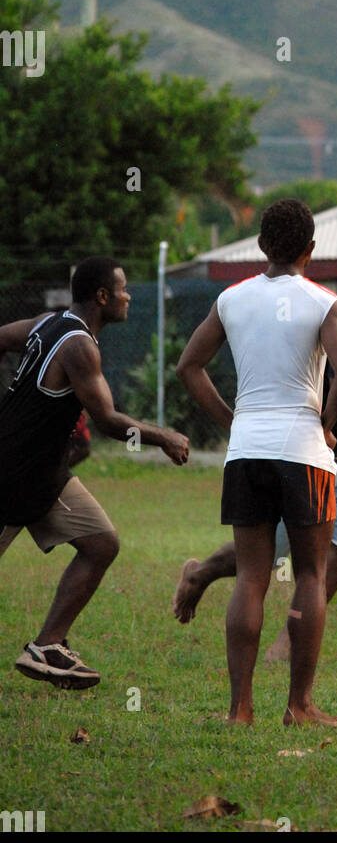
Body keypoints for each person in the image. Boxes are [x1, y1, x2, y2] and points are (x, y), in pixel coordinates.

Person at [174, 259, 337, 660]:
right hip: (312, 456)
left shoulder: (334, 315)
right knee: (295, 550)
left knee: (321, 546)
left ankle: (267, 626)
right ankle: (217, 589)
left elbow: (329, 388)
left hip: (327, 455)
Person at [175, 199, 337, 727]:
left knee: (250, 577)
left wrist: (234, 420)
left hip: (247, 449)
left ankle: (239, 710)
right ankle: (298, 706)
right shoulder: (324, 303)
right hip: (303, 451)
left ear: (260, 245)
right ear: (311, 250)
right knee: (309, 575)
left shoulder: (230, 299)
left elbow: (190, 367)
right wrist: (325, 422)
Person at [0, 257, 189, 690]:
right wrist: (164, 438)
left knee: (101, 543)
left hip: (46, 475)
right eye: (122, 289)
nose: (128, 296)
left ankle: (47, 647)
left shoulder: (47, 323)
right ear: (102, 297)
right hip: (10, 474)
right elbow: (105, 421)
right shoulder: (79, 346)